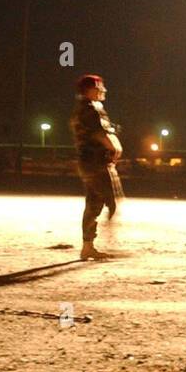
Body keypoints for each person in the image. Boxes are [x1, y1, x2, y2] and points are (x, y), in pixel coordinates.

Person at [69, 74, 122, 261]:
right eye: (99, 87)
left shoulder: (89, 108)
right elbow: (99, 133)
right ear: (89, 90)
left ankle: (88, 246)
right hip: (96, 163)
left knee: (94, 202)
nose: (103, 90)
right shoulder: (90, 108)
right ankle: (109, 239)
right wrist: (114, 147)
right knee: (111, 200)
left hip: (91, 162)